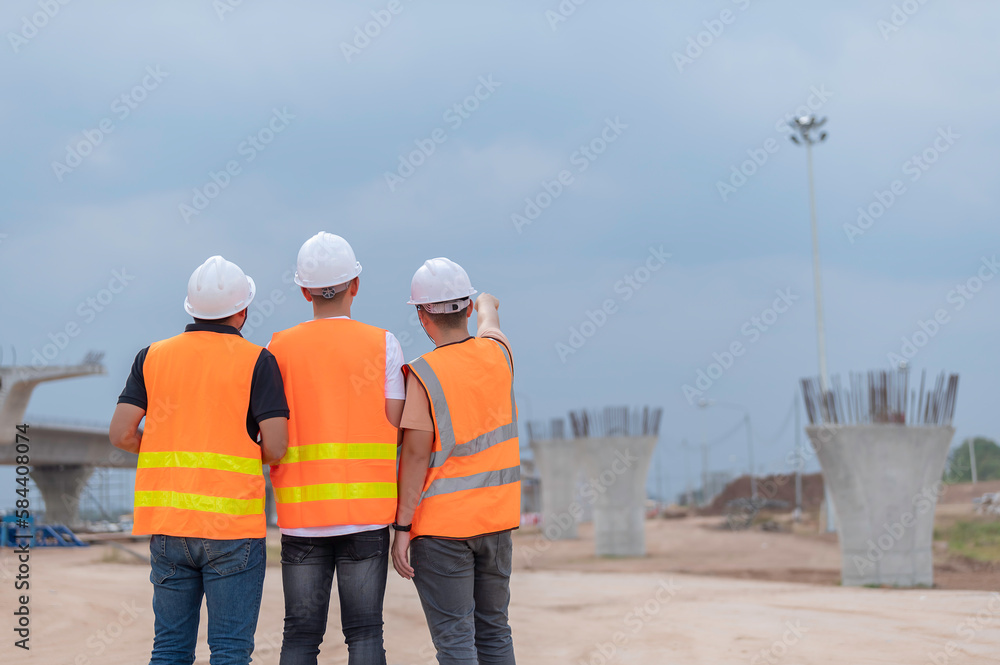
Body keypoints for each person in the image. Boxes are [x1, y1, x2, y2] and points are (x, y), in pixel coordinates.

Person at [109, 255, 289, 665]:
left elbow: (121, 434)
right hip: (233, 529)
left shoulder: (151, 356)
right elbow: (277, 446)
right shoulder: (257, 361)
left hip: (169, 525)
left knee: (170, 649)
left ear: (190, 309)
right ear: (242, 311)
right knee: (228, 651)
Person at [268, 232, 404, 665]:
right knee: (365, 635)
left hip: (302, 519)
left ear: (304, 290)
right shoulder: (382, 344)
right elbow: (398, 425)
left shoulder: (277, 348)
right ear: (355, 285)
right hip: (366, 518)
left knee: (300, 636)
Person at [391, 257, 520, 665]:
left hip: (441, 530)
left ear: (421, 315)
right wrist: (485, 303)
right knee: (495, 631)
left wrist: (401, 528)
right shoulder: (498, 355)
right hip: (496, 523)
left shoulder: (423, 375)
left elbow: (413, 457)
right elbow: (491, 321)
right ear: (465, 308)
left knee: (456, 641)